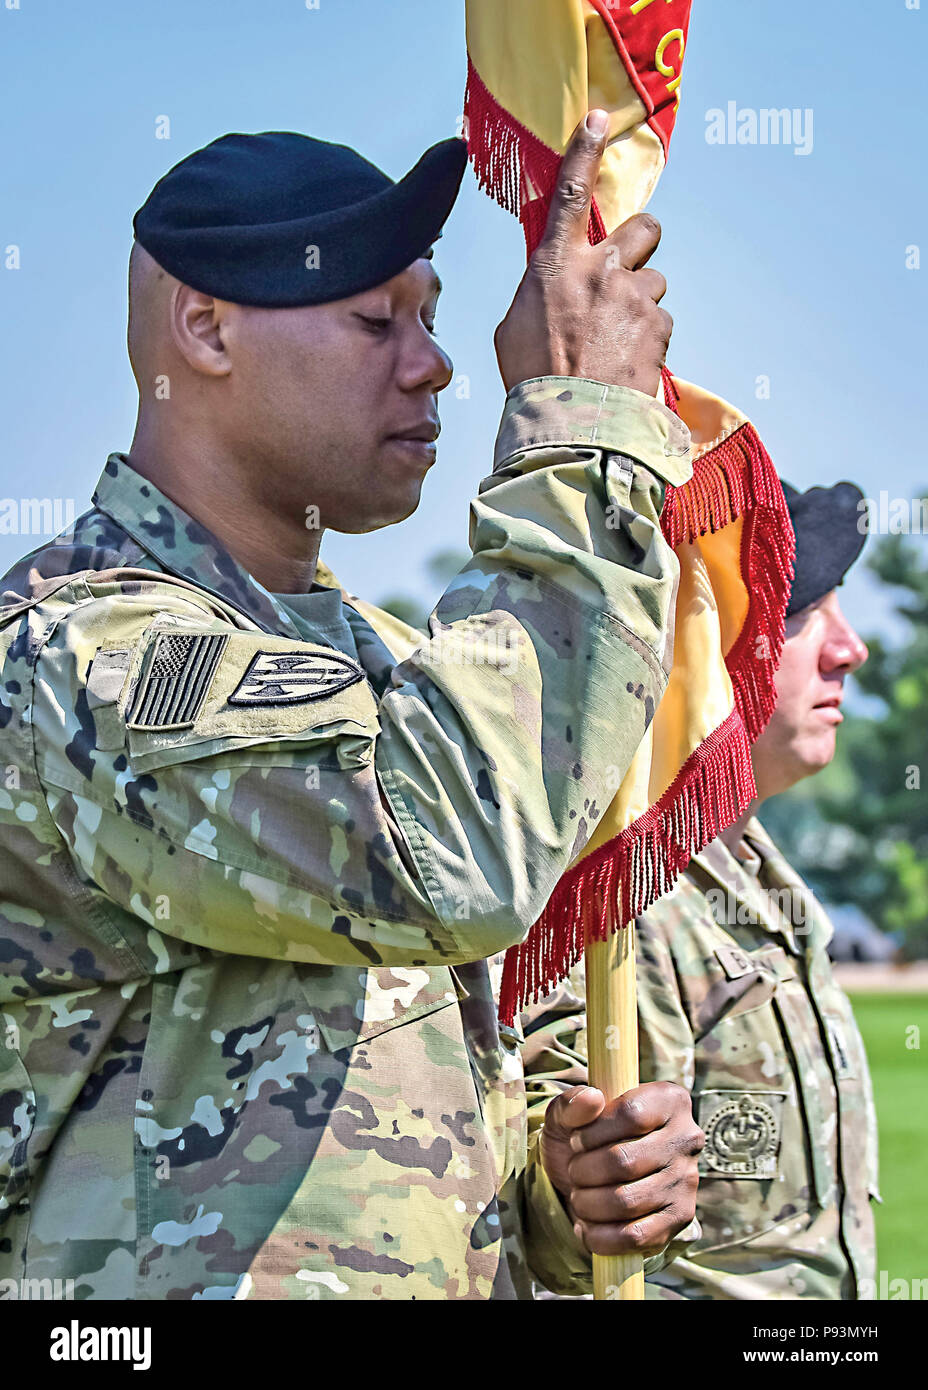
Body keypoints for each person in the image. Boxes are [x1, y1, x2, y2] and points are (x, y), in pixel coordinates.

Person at [0, 115, 704, 1300]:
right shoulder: (85, 653)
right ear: (205, 328)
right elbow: (445, 859)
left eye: (429, 317)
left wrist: (559, 1184)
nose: (431, 362)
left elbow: (421, 1083)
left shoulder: (373, 657)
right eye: (378, 320)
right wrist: (578, 429)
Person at [523, 479, 880, 1300]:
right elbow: (558, 1224)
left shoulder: (752, 871)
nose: (849, 649)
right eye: (802, 615)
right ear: (704, 649)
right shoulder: (613, 893)